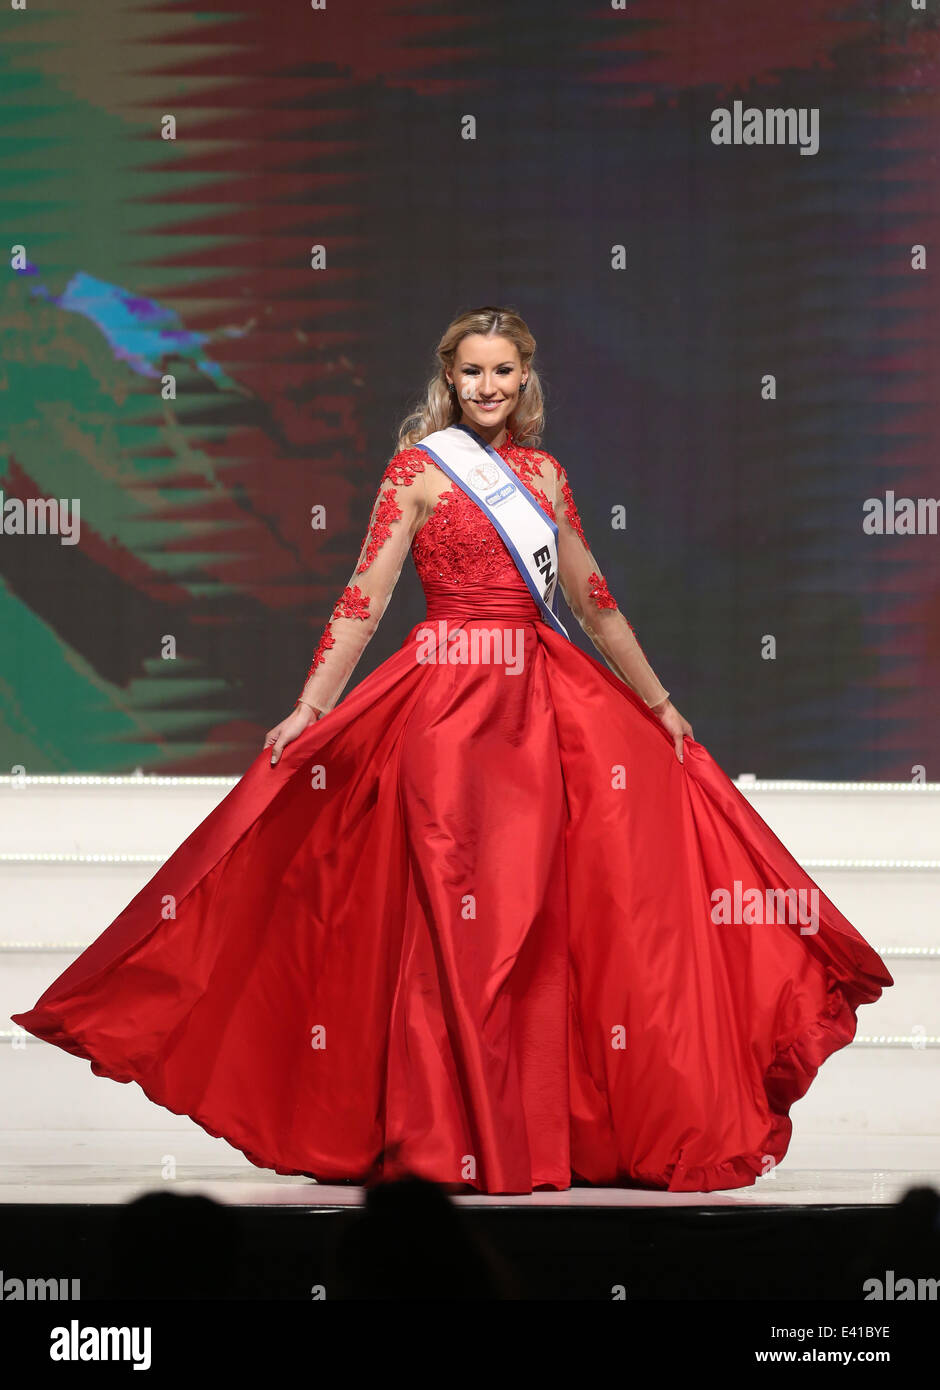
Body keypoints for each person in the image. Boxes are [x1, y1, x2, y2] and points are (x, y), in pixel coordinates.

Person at [12, 306, 893, 1195]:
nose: (487, 387)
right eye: (472, 372)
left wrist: (659, 704)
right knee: (450, 902)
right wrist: (310, 707)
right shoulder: (417, 471)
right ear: (449, 377)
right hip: (443, 703)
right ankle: (448, 1133)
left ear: (524, 380)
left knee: (530, 914)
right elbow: (363, 598)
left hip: (540, 703)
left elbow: (591, 599)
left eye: (503, 371)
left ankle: (527, 1131)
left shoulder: (545, 476)